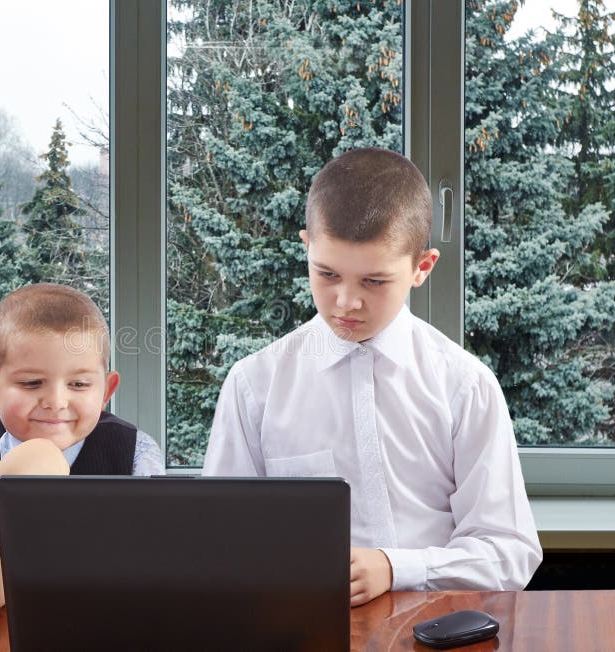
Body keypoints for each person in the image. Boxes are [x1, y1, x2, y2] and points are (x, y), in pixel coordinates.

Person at [202, 147, 542, 607]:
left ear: (422, 268)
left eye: (374, 282)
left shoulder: (466, 386)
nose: (345, 303)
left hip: (437, 629)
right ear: (307, 246)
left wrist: (393, 566)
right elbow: (218, 543)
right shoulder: (253, 385)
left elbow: (510, 554)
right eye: (327, 274)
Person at [0, 283, 163, 616]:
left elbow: (151, 569)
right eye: (31, 383)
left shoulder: (136, 452)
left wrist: (12, 583)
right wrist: (9, 479)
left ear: (106, 390)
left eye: (79, 384)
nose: (56, 402)